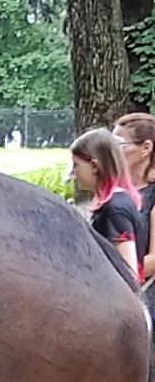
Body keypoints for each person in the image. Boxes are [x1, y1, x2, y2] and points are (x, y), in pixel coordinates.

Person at [70, 126, 142, 279]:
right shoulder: (108, 205)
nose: (73, 173)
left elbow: (129, 273)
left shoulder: (115, 209)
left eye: (76, 165)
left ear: (95, 166)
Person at [113, 111, 155, 278]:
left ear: (146, 148)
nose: (112, 152)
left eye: (119, 145)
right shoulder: (112, 189)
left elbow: (153, 261)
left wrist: (111, 277)